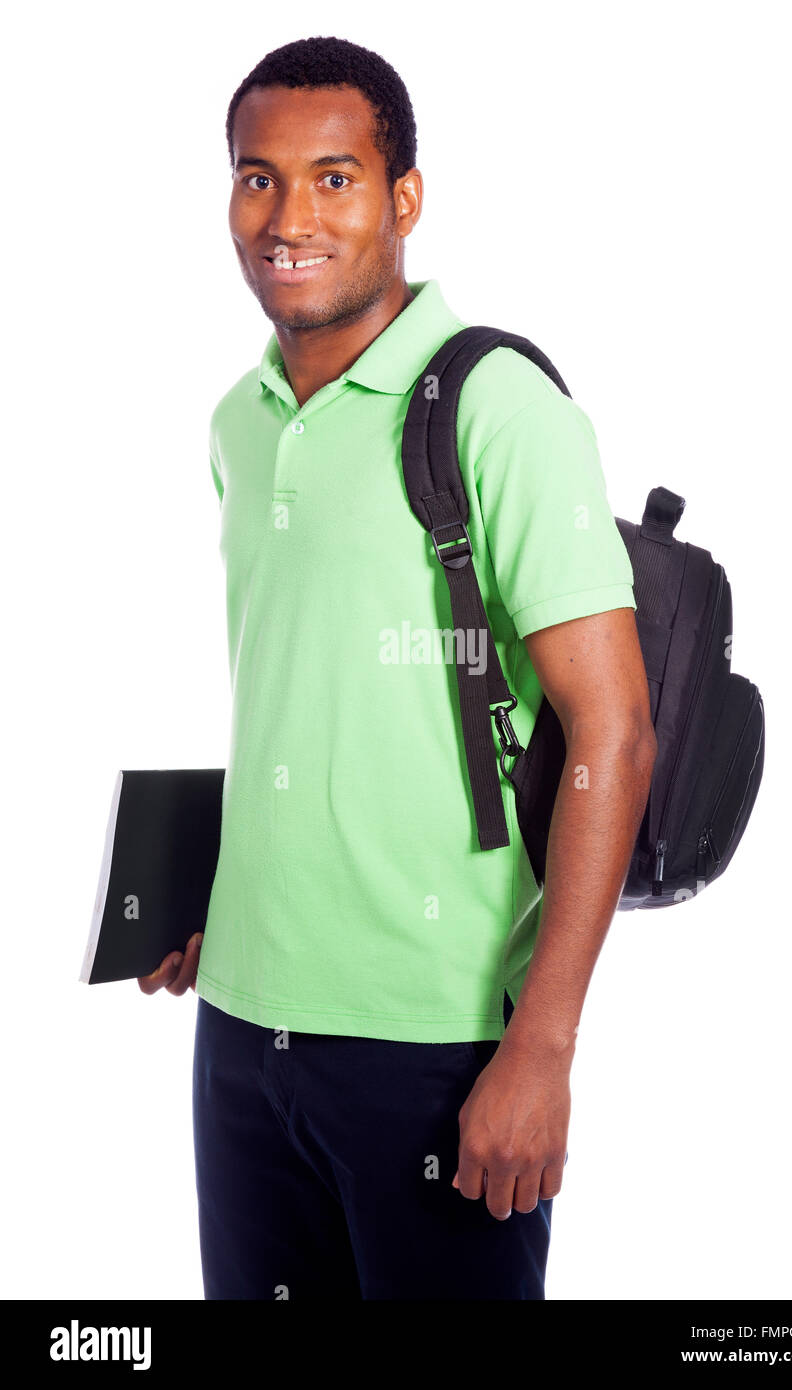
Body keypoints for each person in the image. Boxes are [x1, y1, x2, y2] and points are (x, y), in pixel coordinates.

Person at [139, 35, 656, 1301]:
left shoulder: (497, 407)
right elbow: (308, 687)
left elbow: (614, 727)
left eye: (333, 177)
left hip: (436, 1046)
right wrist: (226, 889)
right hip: (242, 1033)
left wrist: (541, 1046)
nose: (289, 218)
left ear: (402, 197)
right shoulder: (236, 421)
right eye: (258, 180)